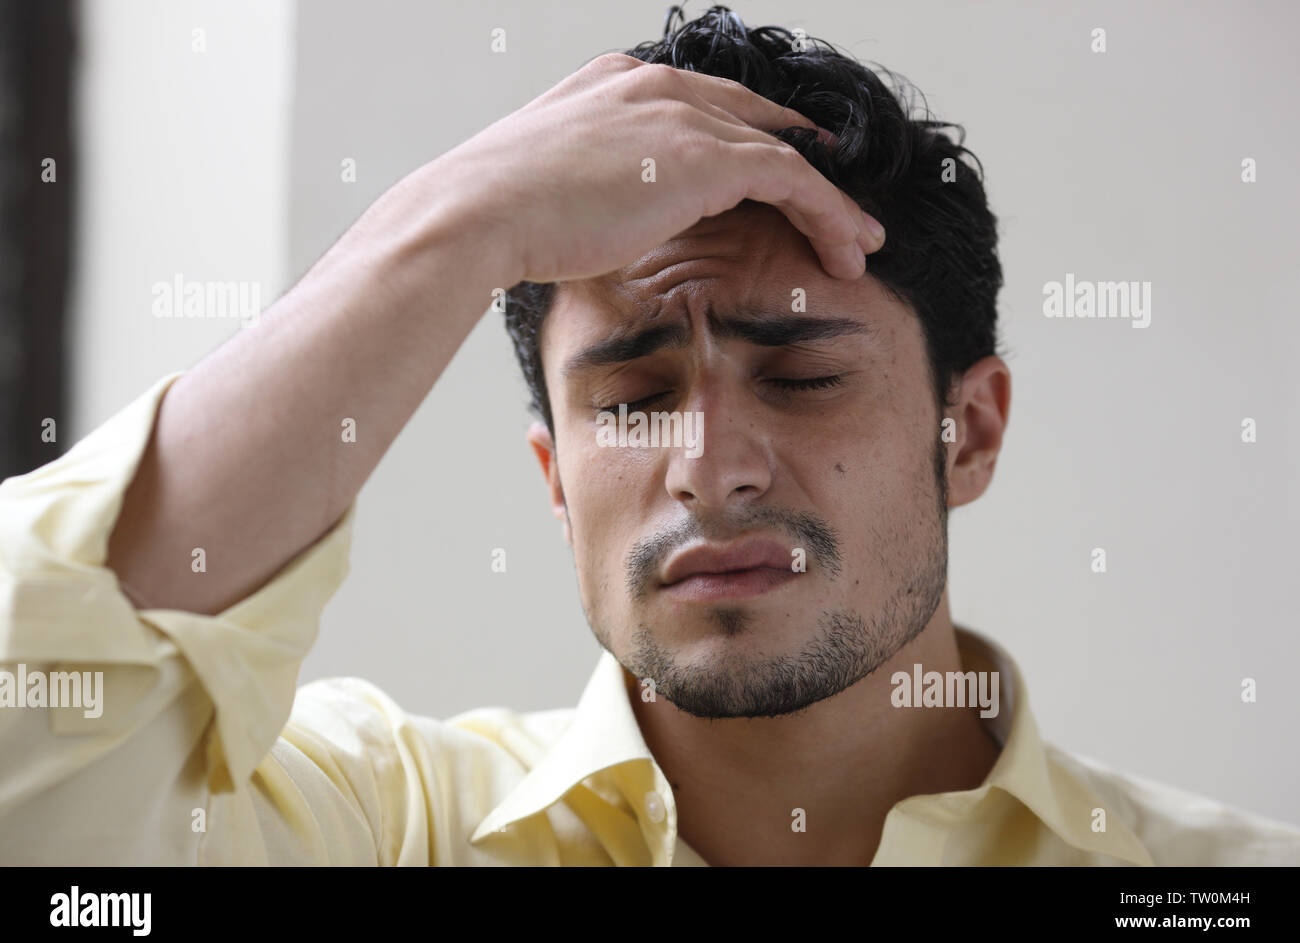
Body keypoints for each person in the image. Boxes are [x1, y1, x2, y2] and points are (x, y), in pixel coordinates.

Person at [1, 5, 1294, 866]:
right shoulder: (387, 827)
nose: (709, 464)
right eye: (630, 397)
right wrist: (453, 225)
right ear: (555, 483)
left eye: (799, 374)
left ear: (969, 430)